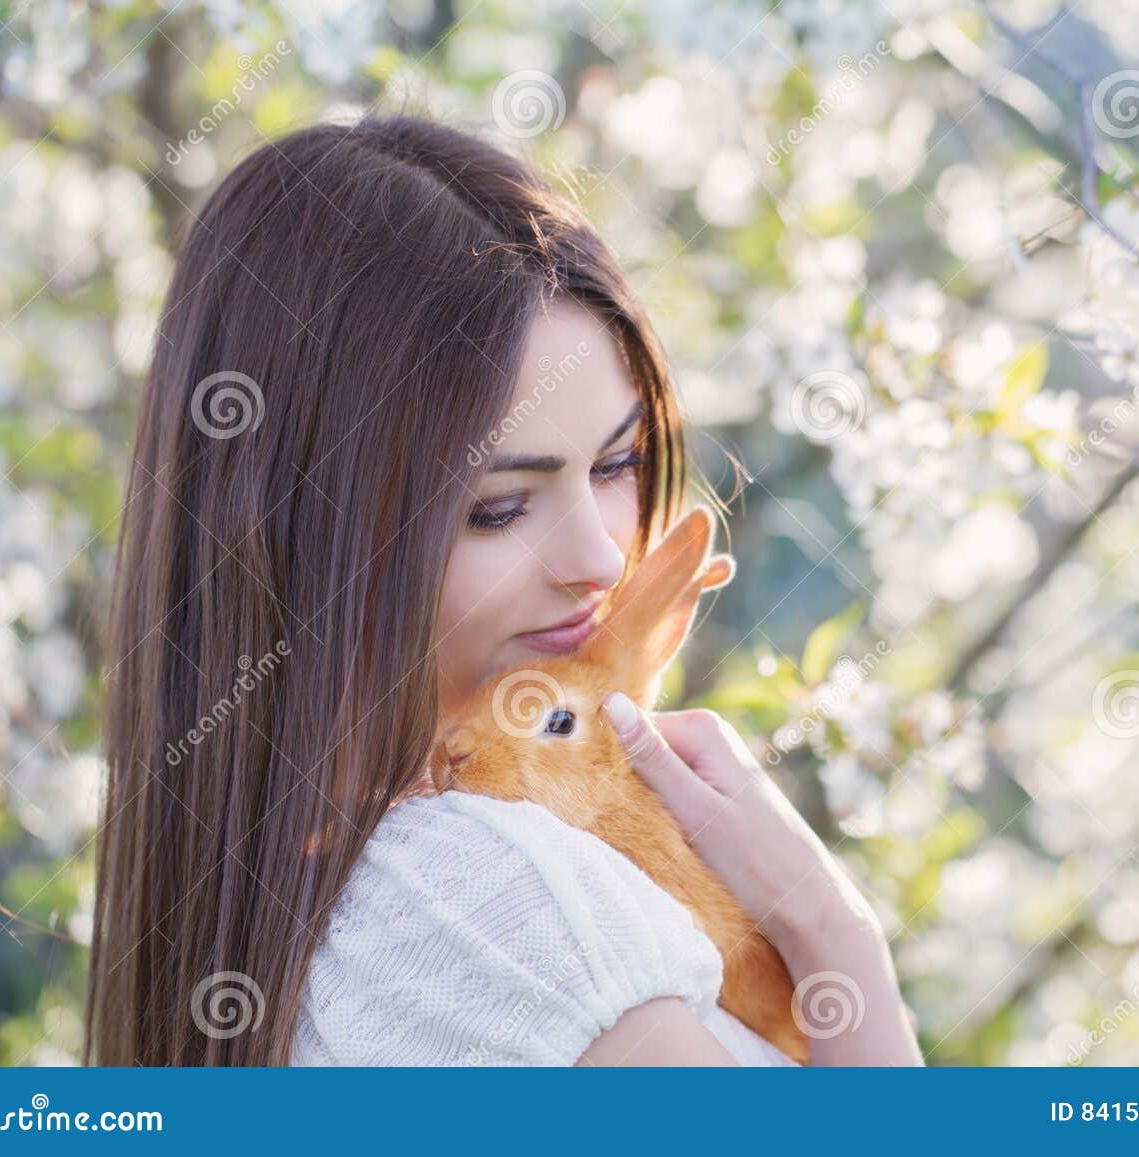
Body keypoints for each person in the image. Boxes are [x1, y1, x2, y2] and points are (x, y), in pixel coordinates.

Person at [84, 114, 921, 1067]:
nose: (600, 560)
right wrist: (836, 935)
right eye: (499, 508)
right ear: (305, 532)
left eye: (620, 462)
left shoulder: (292, 894)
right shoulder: (494, 896)